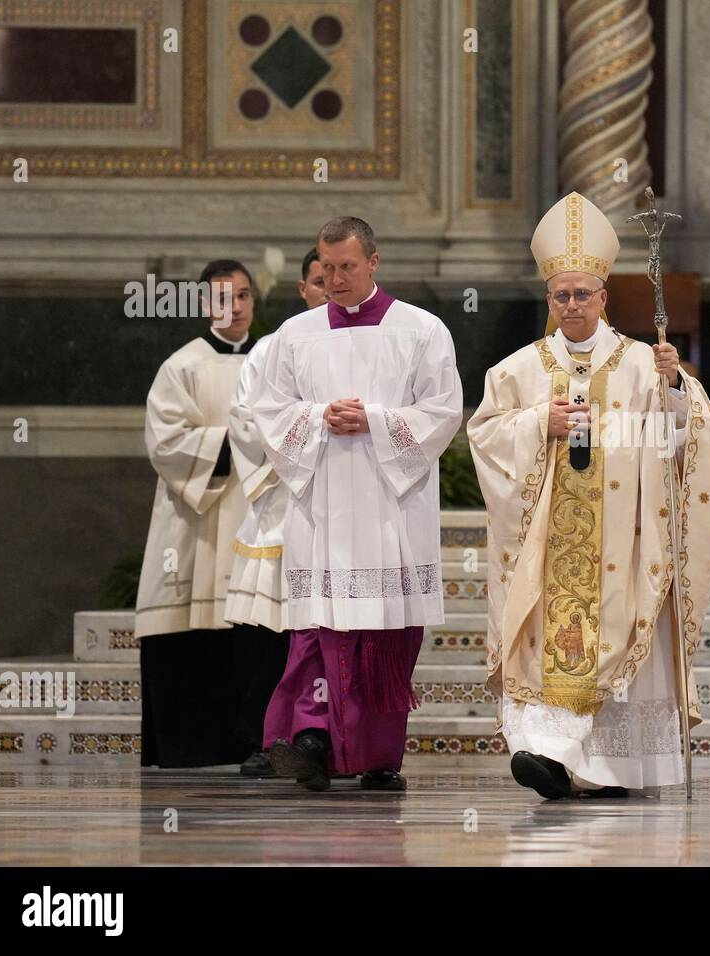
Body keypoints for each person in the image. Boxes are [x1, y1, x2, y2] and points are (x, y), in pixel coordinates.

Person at [468, 192, 710, 799]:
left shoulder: (643, 364)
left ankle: (602, 765)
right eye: (562, 295)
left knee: (615, 639)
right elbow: (484, 436)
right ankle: (551, 756)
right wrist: (537, 425)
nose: (573, 304)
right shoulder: (514, 372)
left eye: (584, 294)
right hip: (547, 548)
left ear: (605, 298)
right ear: (548, 300)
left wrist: (678, 388)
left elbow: (685, 439)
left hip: (627, 548)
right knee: (552, 643)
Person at [252, 218, 463, 792]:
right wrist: (317, 418)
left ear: (374, 262)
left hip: (390, 509)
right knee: (317, 631)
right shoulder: (295, 335)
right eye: (326, 268)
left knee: (384, 636)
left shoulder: (422, 330)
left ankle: (376, 757)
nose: (335, 278)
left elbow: (444, 413)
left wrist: (371, 418)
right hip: (320, 509)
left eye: (347, 266)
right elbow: (269, 412)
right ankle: (312, 742)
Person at [136, 259, 277, 769]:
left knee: (250, 637)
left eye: (242, 296)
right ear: (203, 304)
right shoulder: (182, 366)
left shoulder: (271, 362)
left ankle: (251, 742)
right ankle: (190, 746)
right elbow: (166, 442)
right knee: (194, 634)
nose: (234, 307)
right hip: (197, 519)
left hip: (258, 512)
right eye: (222, 298)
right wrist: (239, 441)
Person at [223, 248, 330, 777]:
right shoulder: (270, 350)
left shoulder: (367, 344)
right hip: (281, 506)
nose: (328, 287)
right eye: (318, 279)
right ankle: (270, 741)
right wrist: (313, 441)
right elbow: (246, 422)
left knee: (330, 637)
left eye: (338, 276)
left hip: (341, 513)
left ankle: (332, 743)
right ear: (303, 288)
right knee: (270, 635)